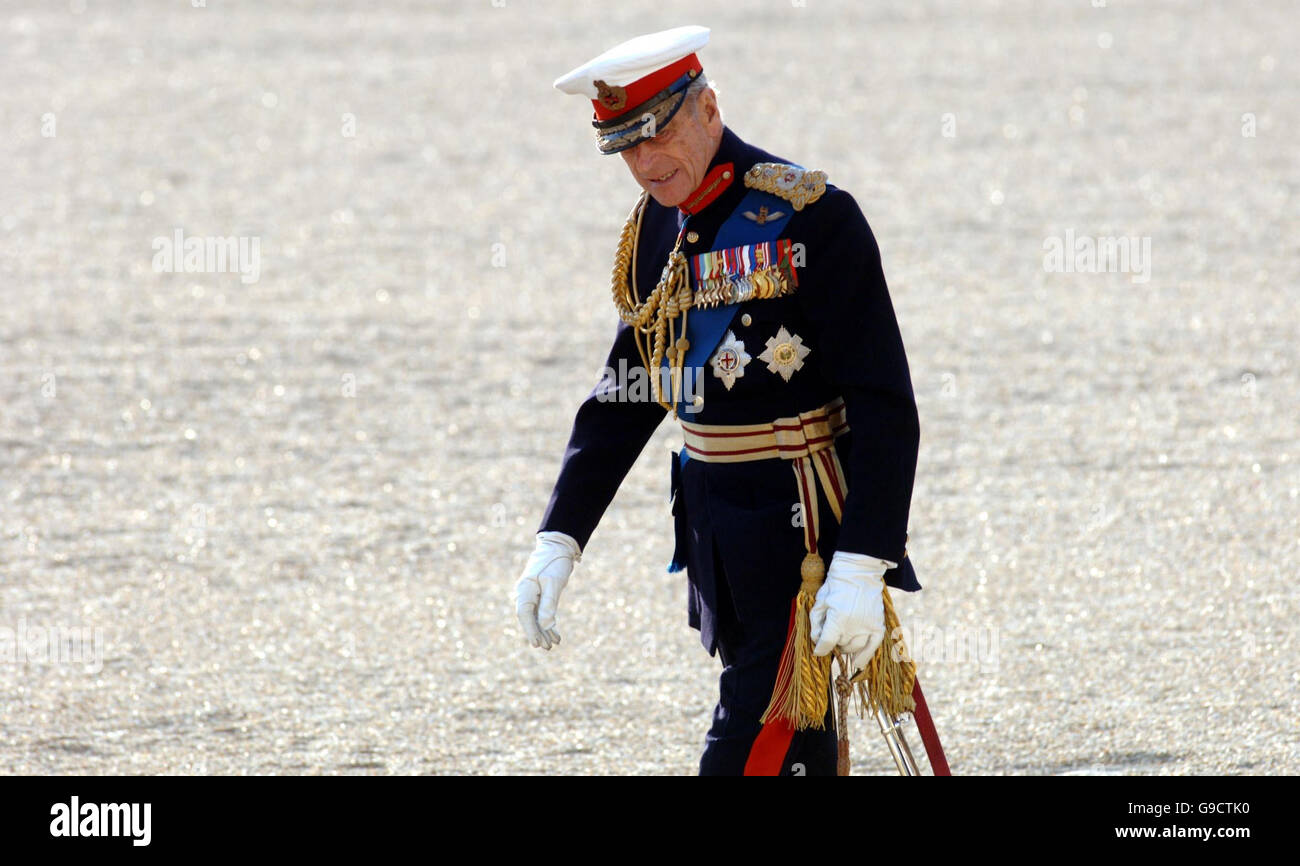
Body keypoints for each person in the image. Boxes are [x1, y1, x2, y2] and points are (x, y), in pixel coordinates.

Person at [514, 25, 922, 776]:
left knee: (748, 750)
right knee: (797, 748)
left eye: (658, 133)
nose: (644, 162)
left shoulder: (812, 216)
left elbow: (885, 403)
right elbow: (629, 392)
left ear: (708, 108)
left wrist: (864, 562)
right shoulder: (654, 226)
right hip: (712, 527)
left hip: (799, 529)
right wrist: (560, 537)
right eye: (624, 146)